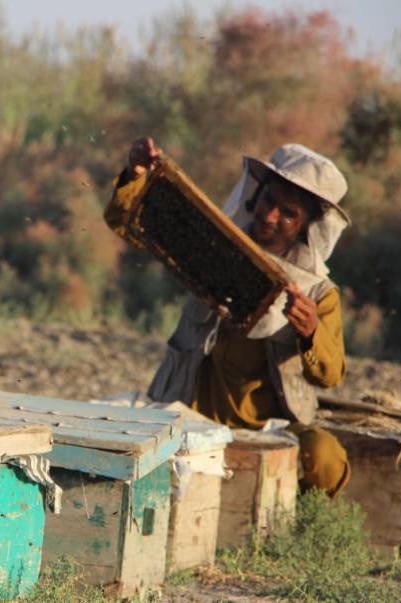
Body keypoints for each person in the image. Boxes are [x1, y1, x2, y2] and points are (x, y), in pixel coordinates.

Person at [105, 137, 351, 497]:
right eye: (269, 200)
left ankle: (293, 513)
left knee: (324, 455)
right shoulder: (214, 243)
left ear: (308, 225)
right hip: (181, 411)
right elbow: (125, 220)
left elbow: (331, 374)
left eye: (288, 212)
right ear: (257, 192)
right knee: (101, 425)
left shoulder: (318, 293)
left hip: (267, 428)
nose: (269, 216)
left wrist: (311, 330)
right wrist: (136, 176)